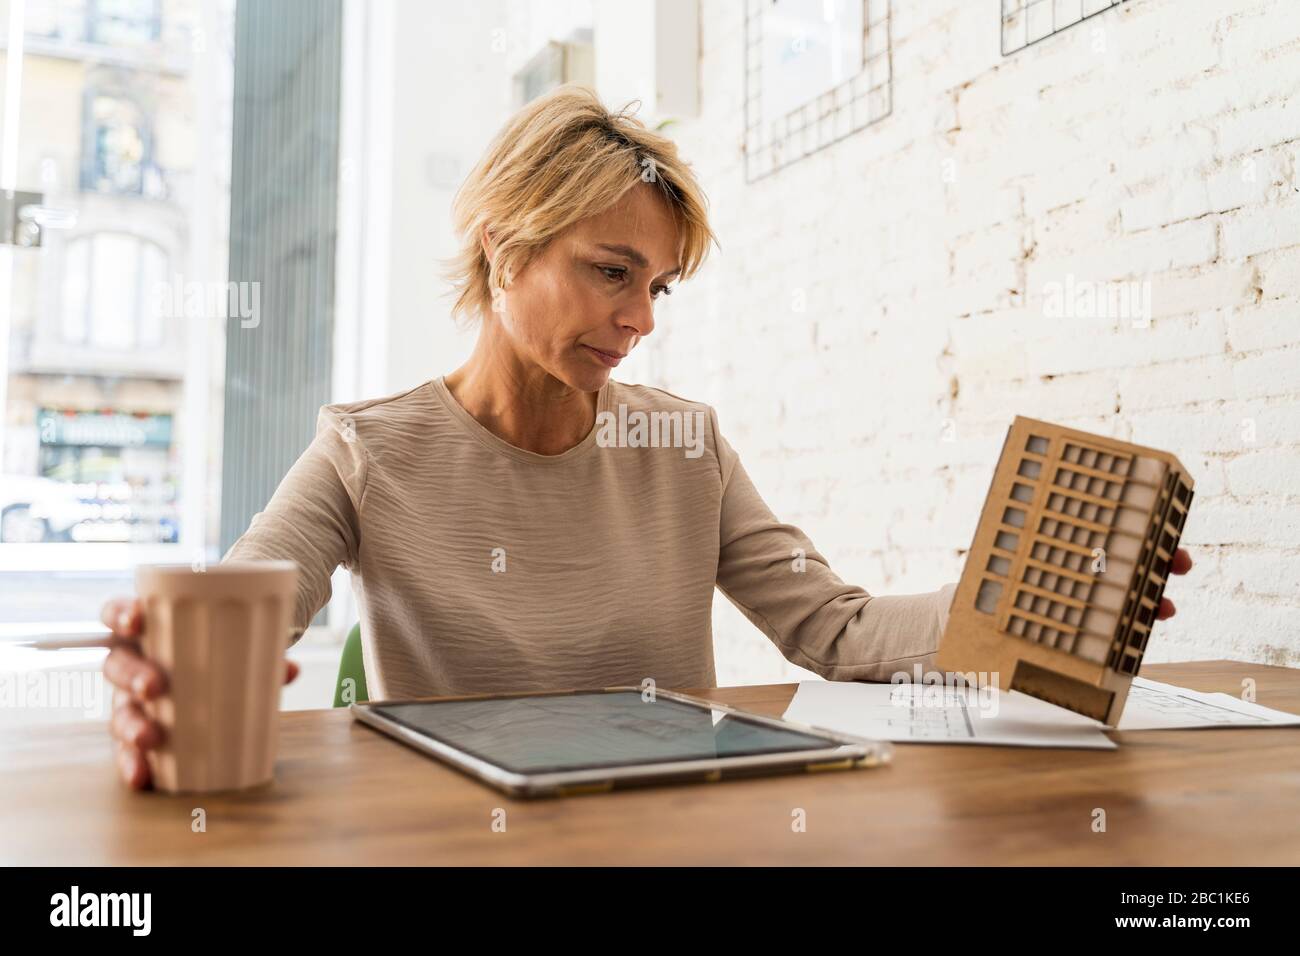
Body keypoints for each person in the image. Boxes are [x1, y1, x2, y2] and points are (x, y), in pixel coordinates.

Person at [99, 85, 1193, 789]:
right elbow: (243, 602)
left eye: (657, 284)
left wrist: (1025, 603)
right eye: (609, 271)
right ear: (500, 246)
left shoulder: (686, 444)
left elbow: (832, 627)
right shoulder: (366, 450)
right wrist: (165, 661)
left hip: (677, 830)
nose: (640, 318)